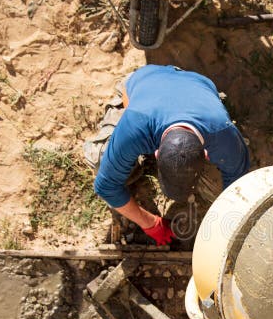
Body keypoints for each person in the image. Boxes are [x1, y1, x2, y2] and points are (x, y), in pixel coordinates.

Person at [91, 64, 250, 245]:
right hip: (145, 82)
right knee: (100, 159)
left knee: (219, 191)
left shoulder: (224, 135)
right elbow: (105, 186)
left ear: (206, 155)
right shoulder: (135, 126)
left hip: (194, 83)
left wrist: (224, 229)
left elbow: (237, 187)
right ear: (156, 153)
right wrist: (149, 223)